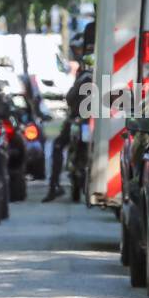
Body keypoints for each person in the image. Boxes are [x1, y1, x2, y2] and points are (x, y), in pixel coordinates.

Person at [44, 23, 94, 202]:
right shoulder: (88, 71)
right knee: (59, 144)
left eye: (78, 50)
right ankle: (54, 186)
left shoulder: (85, 74)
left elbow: (71, 97)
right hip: (87, 120)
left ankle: (54, 186)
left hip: (82, 119)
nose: (77, 53)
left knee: (58, 145)